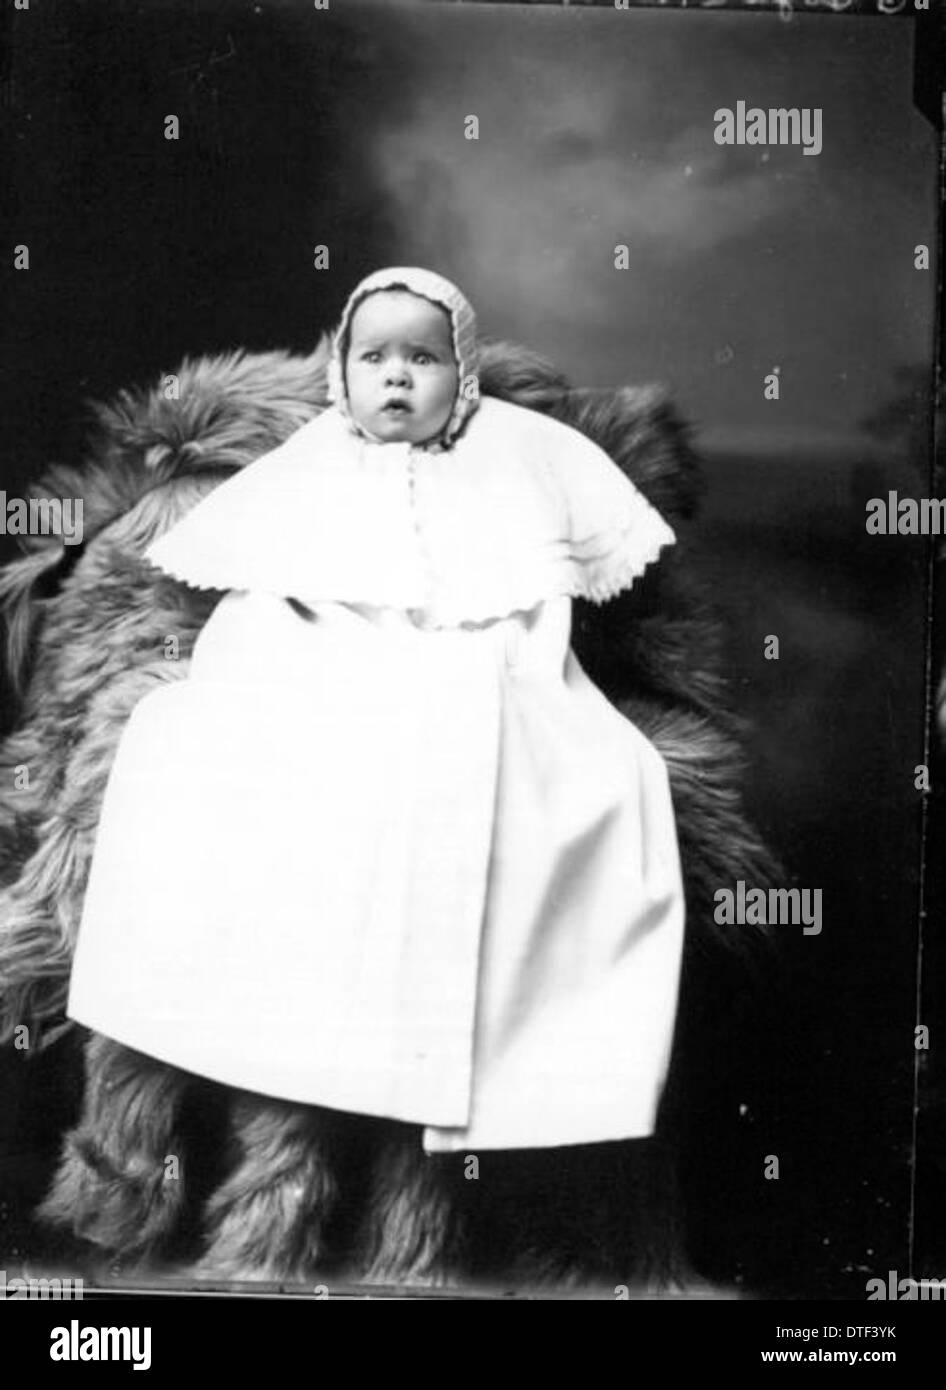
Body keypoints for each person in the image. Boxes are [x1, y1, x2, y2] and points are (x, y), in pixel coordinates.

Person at [66, 265, 686, 1157]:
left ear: (462, 376)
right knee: (182, 743)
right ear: (344, 375)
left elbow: (536, 609)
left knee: (598, 779)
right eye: (375, 358)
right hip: (321, 668)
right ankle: (270, 1037)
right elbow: (267, 610)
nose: (397, 376)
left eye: (424, 358)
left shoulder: (522, 456)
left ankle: (506, 1074)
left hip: (487, 667)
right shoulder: (312, 462)